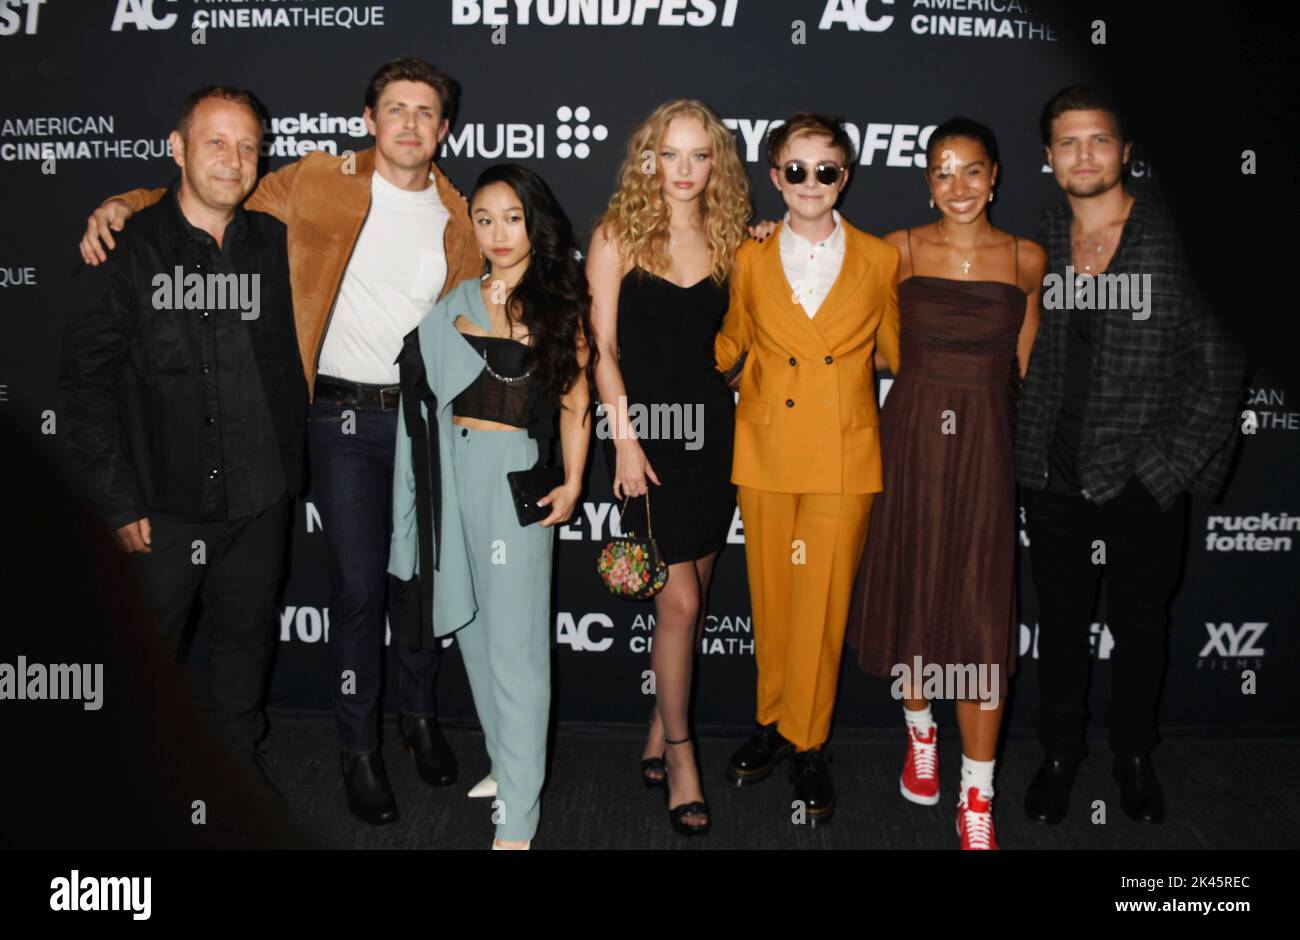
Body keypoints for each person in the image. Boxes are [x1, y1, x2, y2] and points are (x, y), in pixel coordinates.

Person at [78, 58, 480, 825]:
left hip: (424, 424)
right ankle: (358, 751)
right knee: (360, 591)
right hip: (338, 421)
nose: (408, 124)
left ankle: (419, 720)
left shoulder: (462, 218)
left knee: (419, 592)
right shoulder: (316, 182)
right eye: (394, 108)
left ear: (443, 129)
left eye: (425, 112)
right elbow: (211, 196)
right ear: (369, 119)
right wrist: (122, 205)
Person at [59, 85, 306, 795]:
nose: (234, 159)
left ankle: (231, 767)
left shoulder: (277, 242)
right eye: (216, 142)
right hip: (158, 506)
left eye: (249, 145)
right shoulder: (122, 248)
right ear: (177, 149)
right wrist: (114, 501)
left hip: (261, 497)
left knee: (244, 643)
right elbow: (83, 389)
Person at [1016, 84, 1245, 825]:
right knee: (1058, 627)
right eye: (1069, 143)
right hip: (1052, 475)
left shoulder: (1179, 237)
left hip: (1144, 478)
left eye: (1099, 140)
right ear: (1049, 158)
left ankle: (1134, 756)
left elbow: (1218, 368)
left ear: (1126, 152)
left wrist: (1164, 472)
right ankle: (1059, 755)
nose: (1084, 154)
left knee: (1143, 630)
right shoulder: (1040, 236)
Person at [844, 118, 1045, 849]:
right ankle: (920, 732)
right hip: (912, 438)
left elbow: (1025, 373)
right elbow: (836, 290)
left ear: (995, 176)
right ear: (926, 180)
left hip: (988, 448)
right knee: (917, 588)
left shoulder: (1027, 259)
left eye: (971, 171)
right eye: (941, 172)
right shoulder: (896, 250)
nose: (956, 186)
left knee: (982, 615)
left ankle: (978, 796)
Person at [390, 164, 593, 849]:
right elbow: (420, 406)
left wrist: (570, 483)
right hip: (453, 478)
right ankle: (507, 768)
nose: (499, 233)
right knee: (471, 630)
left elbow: (576, 404)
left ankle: (521, 816)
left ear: (534, 224)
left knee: (517, 652)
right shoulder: (451, 304)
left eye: (512, 217)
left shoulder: (559, 309)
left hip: (514, 488)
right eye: (484, 218)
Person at [715, 113, 900, 826]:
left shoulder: (882, 260)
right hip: (765, 448)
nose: (811, 183)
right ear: (775, 177)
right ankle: (770, 721)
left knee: (821, 608)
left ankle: (809, 742)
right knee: (773, 598)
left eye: (826, 170)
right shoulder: (748, 257)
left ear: (845, 176)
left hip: (843, 456)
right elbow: (729, 343)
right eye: (796, 170)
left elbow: (898, 355)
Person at [586, 99, 749, 837]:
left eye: (698, 156)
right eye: (669, 154)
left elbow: (743, 342)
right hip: (644, 440)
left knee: (697, 598)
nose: (683, 171)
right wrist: (622, 440)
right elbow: (602, 350)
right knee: (677, 605)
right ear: (648, 159)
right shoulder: (617, 235)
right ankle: (682, 752)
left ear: (715, 163)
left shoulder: (733, 242)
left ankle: (660, 720)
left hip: (715, 439)